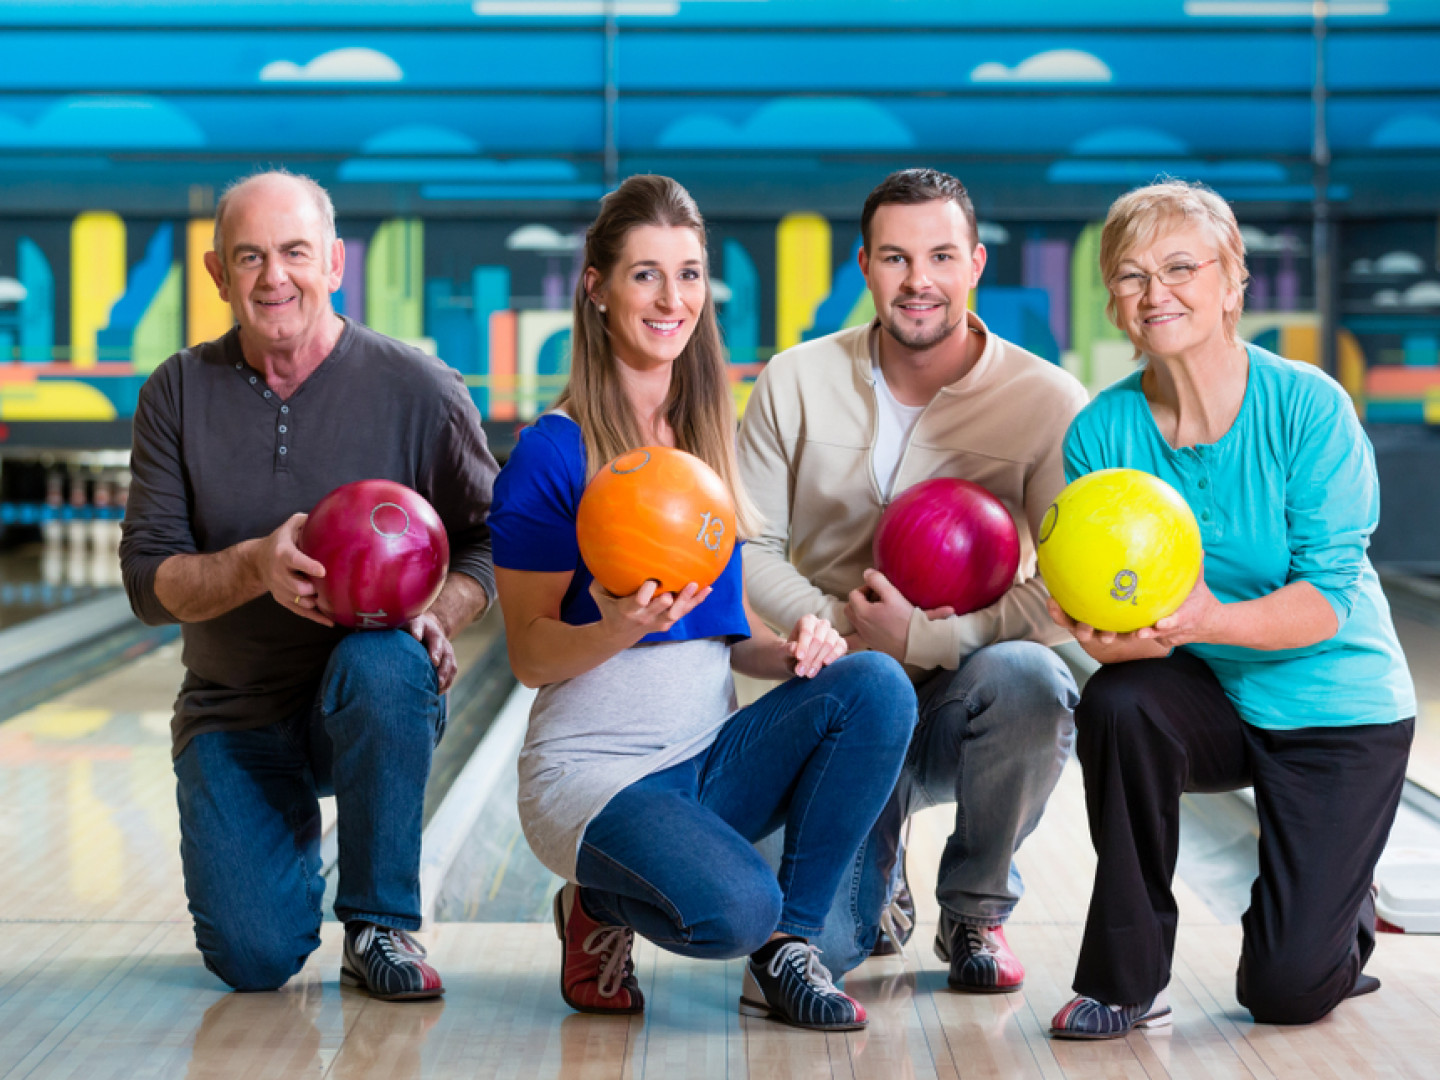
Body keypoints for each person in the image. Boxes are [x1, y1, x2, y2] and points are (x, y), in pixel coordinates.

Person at [488, 174, 915, 1032]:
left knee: (876, 686)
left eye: (688, 274)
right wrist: (613, 628)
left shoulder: (704, 449)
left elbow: (724, 638)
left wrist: (792, 648)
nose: (671, 298)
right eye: (645, 274)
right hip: (593, 778)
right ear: (596, 285)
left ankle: (791, 952)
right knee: (732, 911)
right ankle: (595, 906)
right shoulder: (553, 454)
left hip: (706, 756)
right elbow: (531, 655)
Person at [1046, 180, 1415, 1039]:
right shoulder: (1101, 435)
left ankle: (1334, 910)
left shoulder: (1309, 408)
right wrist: (1097, 633)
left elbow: (1326, 602)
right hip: (1212, 698)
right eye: (1132, 276)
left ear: (1232, 282)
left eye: (1180, 267)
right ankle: (1124, 979)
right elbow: (1130, 644)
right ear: (1113, 302)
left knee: (1285, 992)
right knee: (1118, 704)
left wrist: (1200, 620)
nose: (1155, 292)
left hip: (1337, 709)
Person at [119, 171, 498, 1000]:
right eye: (248, 257)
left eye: (293, 252)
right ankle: (281, 845)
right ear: (218, 273)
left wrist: (441, 609)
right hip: (234, 713)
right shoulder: (175, 394)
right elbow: (149, 584)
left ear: (333, 263)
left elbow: (490, 538)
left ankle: (378, 926)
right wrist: (257, 563)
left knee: (385, 663)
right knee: (254, 961)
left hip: (368, 697)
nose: (273, 277)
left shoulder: (420, 389)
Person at [738, 167, 1091, 990]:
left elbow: (1066, 588)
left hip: (953, 693)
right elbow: (747, 544)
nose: (918, 281)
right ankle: (878, 869)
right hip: (828, 692)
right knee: (817, 953)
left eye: (940, 256)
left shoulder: (1045, 401)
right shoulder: (794, 380)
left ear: (975, 264)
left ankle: (977, 910)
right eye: (896, 259)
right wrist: (839, 626)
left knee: (1033, 680)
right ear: (864, 265)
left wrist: (935, 636)